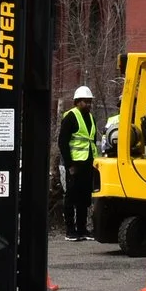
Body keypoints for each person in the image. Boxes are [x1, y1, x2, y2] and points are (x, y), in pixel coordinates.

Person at [60, 85, 98, 239]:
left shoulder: (90, 118)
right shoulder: (70, 116)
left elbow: (92, 141)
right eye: (85, 102)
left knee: (84, 197)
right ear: (77, 102)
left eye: (89, 102)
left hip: (88, 163)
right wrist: (69, 165)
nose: (88, 105)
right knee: (71, 197)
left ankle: (82, 229)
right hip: (74, 164)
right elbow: (62, 142)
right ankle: (70, 230)